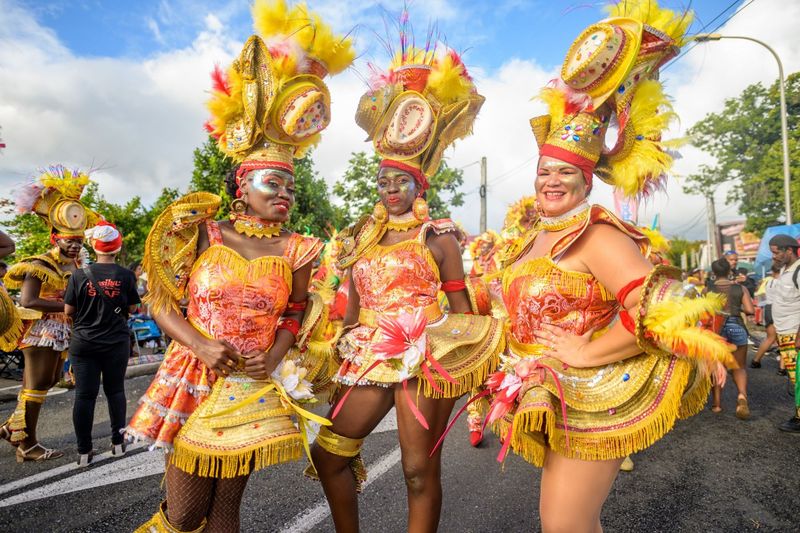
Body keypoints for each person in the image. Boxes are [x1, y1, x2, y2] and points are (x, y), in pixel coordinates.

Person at [478, 3, 733, 531]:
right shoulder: (533, 236)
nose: (550, 181)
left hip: (594, 396)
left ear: (587, 181)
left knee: (563, 526)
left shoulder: (595, 232)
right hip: (548, 389)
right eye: (544, 171)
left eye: (565, 173)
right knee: (573, 524)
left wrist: (587, 349)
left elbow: (659, 311)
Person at [128, 3, 353, 530]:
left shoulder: (297, 248)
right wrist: (201, 344)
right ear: (242, 186)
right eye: (273, 184)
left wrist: (273, 354)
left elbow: (296, 312)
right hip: (195, 374)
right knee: (185, 512)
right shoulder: (200, 231)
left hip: (252, 384)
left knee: (227, 509)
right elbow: (161, 302)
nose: (285, 194)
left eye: (291, 187)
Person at [309, 19, 502, 533]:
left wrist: (467, 369)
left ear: (419, 185)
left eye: (401, 181)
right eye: (384, 181)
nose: (391, 189)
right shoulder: (360, 237)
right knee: (329, 452)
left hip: (426, 355)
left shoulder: (438, 238)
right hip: (370, 351)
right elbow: (351, 307)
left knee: (418, 470)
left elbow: (462, 311)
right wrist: (341, 353)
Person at [1, 166, 97, 462]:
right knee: (37, 383)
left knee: (48, 379)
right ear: (56, 238)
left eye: (79, 240)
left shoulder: (77, 265)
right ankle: (27, 445)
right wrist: (67, 307)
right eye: (70, 240)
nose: (75, 245)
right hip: (40, 330)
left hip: (61, 331)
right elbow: (29, 300)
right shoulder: (40, 263)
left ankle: (13, 429)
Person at [64, 221, 140, 466]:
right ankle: (118, 444)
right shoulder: (126, 275)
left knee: (84, 396)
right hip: (115, 341)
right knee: (115, 391)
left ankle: (84, 452)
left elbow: (68, 310)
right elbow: (132, 307)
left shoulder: (78, 275)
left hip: (83, 342)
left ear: (94, 247)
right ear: (117, 248)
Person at [708, 258, 754, 418]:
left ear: (714, 273)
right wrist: (735, 307)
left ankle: (717, 404)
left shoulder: (708, 289)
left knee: (717, 367)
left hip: (717, 330)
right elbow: (750, 310)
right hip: (737, 326)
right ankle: (742, 395)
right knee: (739, 366)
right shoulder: (740, 288)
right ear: (729, 271)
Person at [768, 234, 800, 433]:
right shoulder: (785, 270)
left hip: (794, 334)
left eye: (776, 252)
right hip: (784, 333)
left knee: (799, 378)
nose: (774, 257)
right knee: (795, 376)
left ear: (789, 250)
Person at [751, 264, 781, 368]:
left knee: (770, 338)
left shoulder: (768, 282)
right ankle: (782, 367)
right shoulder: (782, 282)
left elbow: (761, 295)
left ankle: (756, 360)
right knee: (782, 337)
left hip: (768, 308)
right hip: (778, 308)